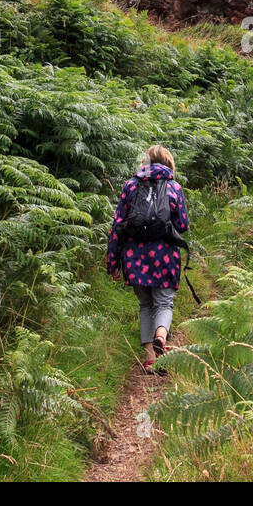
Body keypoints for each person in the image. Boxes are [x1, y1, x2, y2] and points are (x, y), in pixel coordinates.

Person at [106, 145, 189, 374]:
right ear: (168, 162)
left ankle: (150, 358)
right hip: (165, 257)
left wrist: (112, 263)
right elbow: (183, 225)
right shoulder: (174, 186)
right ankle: (161, 336)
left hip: (134, 257)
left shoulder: (131, 185)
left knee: (145, 305)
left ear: (146, 161)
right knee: (164, 303)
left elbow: (117, 227)